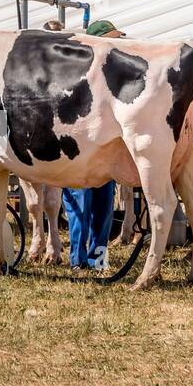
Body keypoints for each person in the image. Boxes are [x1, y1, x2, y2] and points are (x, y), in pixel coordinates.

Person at [62, 19, 124, 270]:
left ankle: (98, 258)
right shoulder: (73, 73)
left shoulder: (116, 76)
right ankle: (78, 259)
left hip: (106, 149)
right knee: (80, 206)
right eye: (113, 40)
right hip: (78, 151)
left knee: (103, 208)